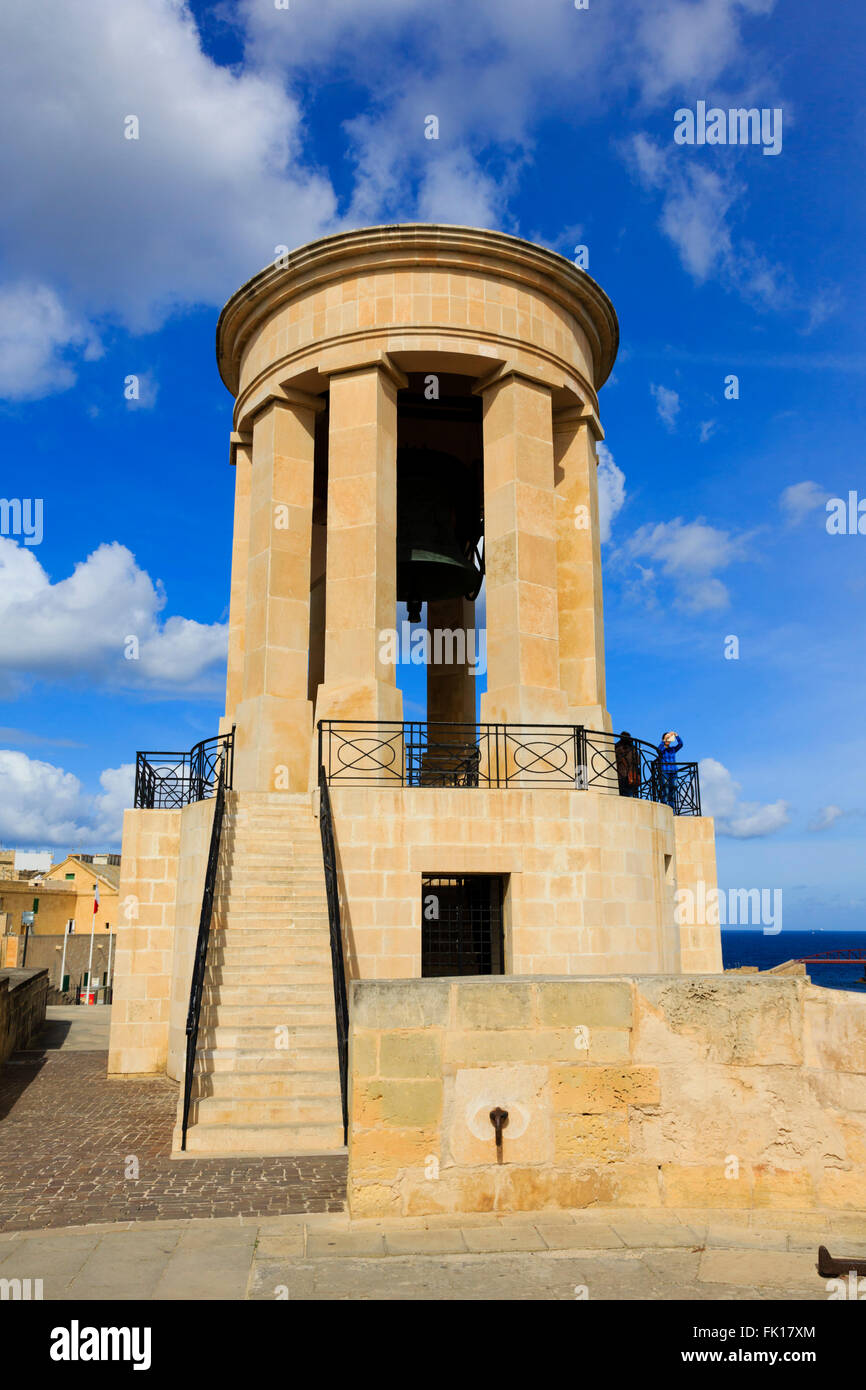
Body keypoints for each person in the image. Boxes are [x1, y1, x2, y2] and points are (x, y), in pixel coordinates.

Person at [656, 730, 683, 809]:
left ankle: (671, 809)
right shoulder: (662, 749)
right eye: (667, 738)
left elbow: (681, 744)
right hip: (665, 771)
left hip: (673, 771)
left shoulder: (673, 749)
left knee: (673, 791)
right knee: (665, 790)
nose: (668, 740)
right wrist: (664, 740)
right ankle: (664, 808)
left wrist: (676, 735)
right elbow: (658, 750)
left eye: (669, 738)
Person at [615, 731, 640, 797]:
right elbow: (638, 761)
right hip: (631, 774)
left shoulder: (617, 748)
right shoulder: (633, 749)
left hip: (621, 774)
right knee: (630, 794)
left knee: (622, 794)